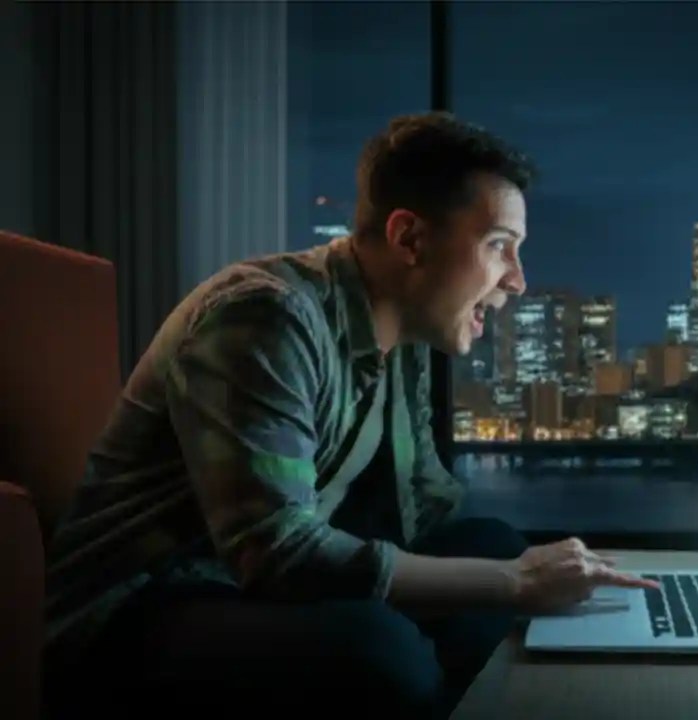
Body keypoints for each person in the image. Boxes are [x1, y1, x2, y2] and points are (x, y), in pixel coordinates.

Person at [41, 112, 657, 719]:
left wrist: (540, 567)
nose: (518, 281)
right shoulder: (265, 315)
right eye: (500, 247)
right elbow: (277, 552)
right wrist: (513, 584)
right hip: (138, 611)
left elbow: (424, 512)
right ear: (409, 238)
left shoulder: (399, 336)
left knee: (492, 543)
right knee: (382, 651)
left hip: (242, 589)